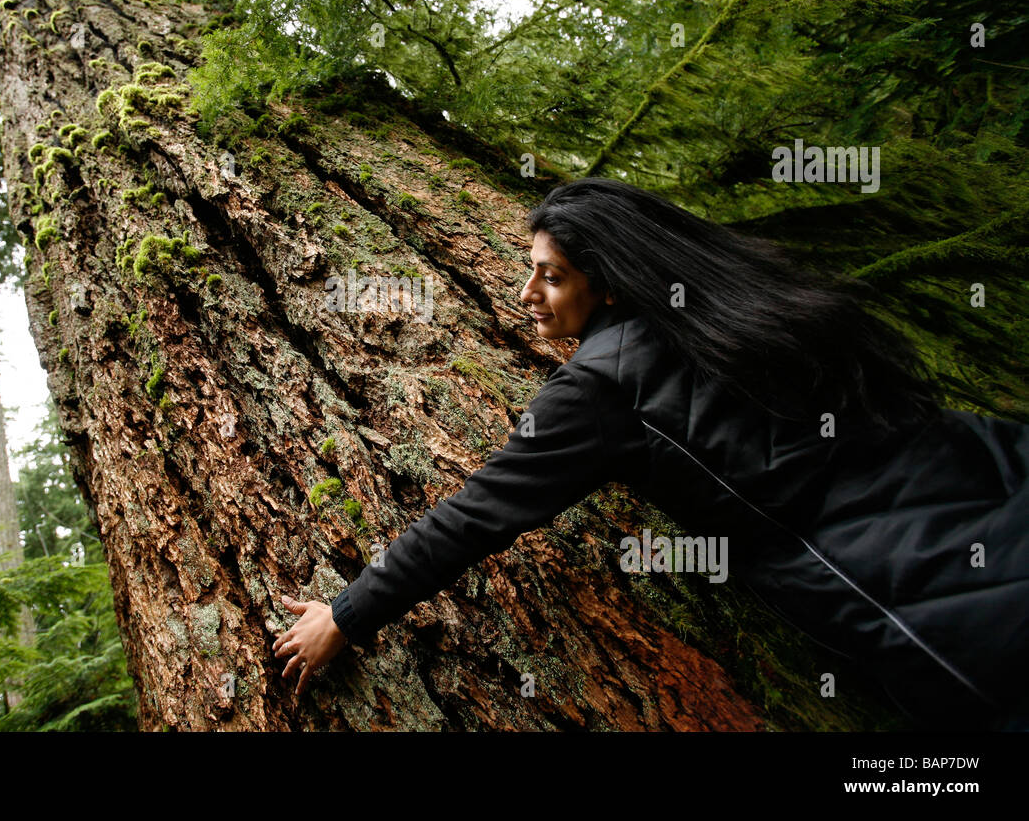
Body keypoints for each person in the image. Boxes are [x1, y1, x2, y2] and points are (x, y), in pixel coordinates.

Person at [272, 177, 1029, 729]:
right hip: (989, 462)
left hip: (922, 590)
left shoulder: (602, 386)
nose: (526, 292)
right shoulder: (732, 303)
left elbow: (475, 516)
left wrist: (344, 615)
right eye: (532, 267)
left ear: (608, 285)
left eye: (552, 274)